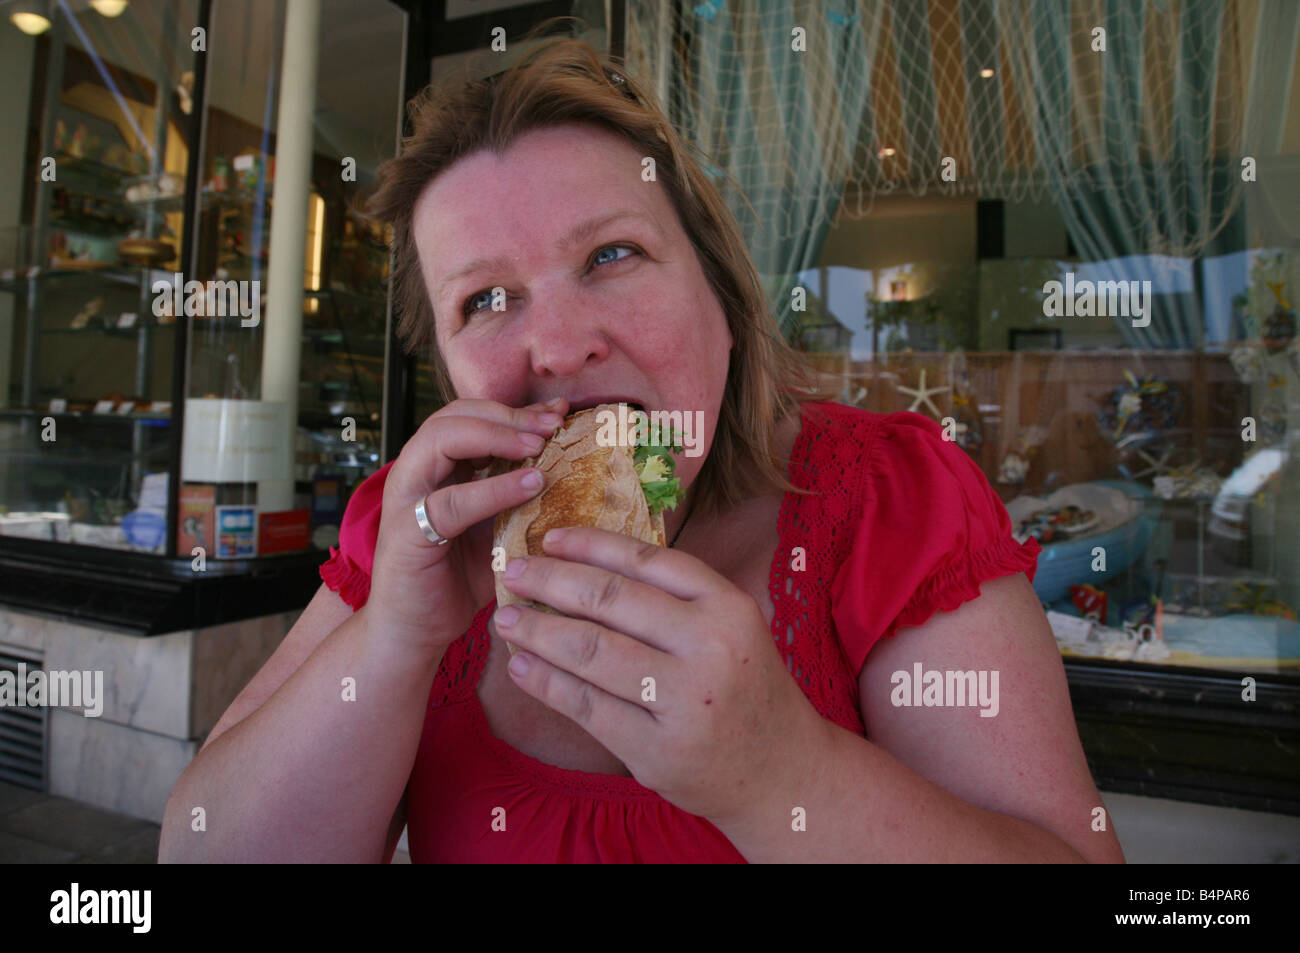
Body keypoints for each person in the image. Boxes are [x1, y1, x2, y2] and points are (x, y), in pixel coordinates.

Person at [159, 27, 1125, 864]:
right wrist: (396, 640)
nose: (560, 343)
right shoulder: (413, 526)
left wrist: (780, 770)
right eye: (485, 299)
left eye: (610, 255)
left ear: (724, 302)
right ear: (449, 366)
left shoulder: (891, 501)